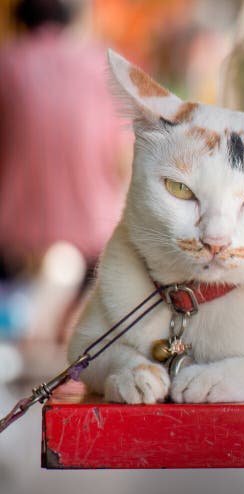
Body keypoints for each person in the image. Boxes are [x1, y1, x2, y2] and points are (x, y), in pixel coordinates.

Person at [0, 0, 128, 340]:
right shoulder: (99, 63)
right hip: (93, 224)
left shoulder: (7, 62)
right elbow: (119, 153)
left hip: (14, 226)